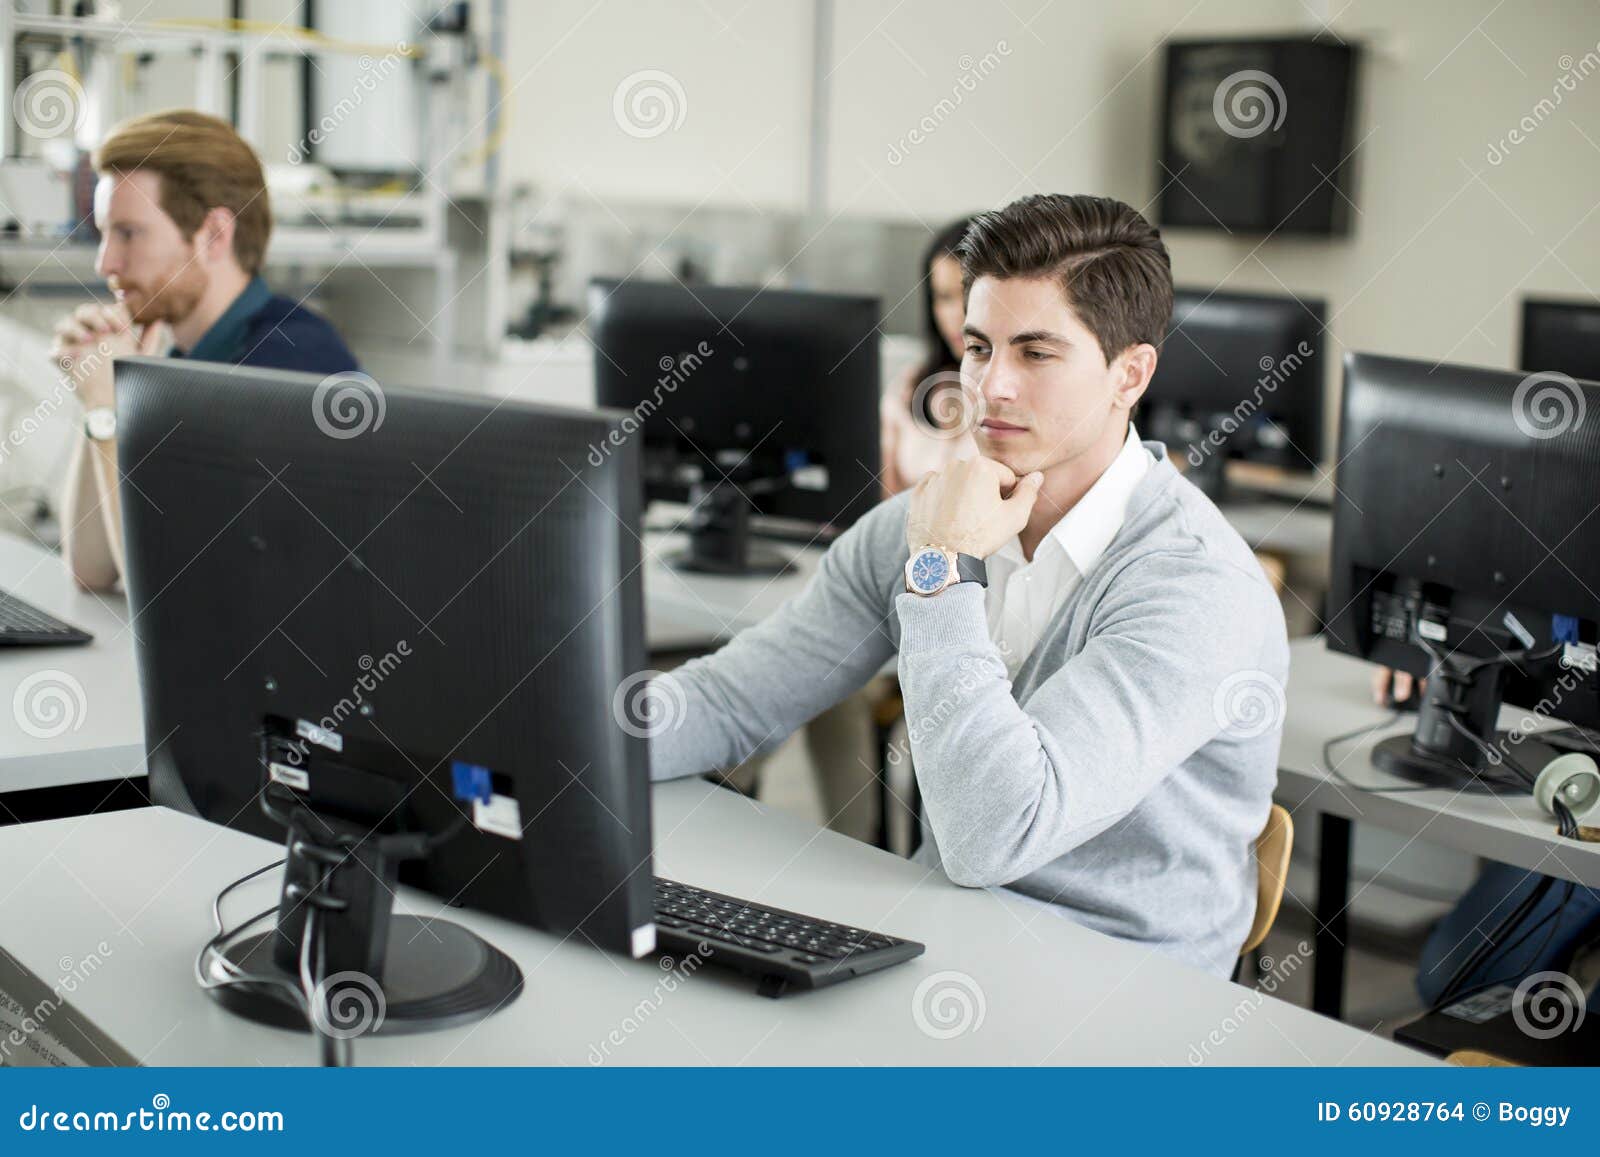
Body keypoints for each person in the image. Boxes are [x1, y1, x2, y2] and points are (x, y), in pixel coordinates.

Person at [649, 193, 1289, 975]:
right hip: (946, 936)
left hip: (1123, 985)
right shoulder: (925, 522)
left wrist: (943, 569)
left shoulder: (1197, 585)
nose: (993, 386)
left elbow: (995, 833)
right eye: (980, 347)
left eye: (1036, 353)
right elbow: (733, 700)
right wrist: (552, 748)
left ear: (1130, 373)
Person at [52, 110, 360, 593]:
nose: (104, 262)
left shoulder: (291, 364)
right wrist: (102, 389)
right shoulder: (184, 359)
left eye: (128, 233)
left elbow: (170, 592)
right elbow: (90, 569)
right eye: (105, 233)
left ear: (215, 235)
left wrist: (104, 412)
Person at [879, 218, 981, 497]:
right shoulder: (908, 387)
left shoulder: (1011, 394)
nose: (956, 315)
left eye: (968, 295)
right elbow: (883, 499)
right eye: (944, 297)